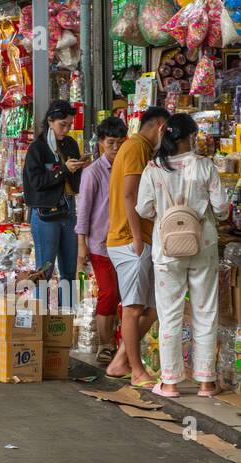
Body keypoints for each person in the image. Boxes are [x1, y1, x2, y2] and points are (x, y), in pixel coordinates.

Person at [135, 112, 230, 398]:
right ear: (191, 137)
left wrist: (167, 210)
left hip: (167, 251)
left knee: (170, 315)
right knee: (205, 312)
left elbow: (143, 210)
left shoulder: (153, 169)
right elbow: (223, 208)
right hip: (203, 247)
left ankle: (170, 382)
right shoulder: (205, 167)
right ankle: (206, 381)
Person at [105, 106, 171, 387]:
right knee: (133, 309)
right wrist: (136, 238)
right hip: (129, 241)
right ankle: (136, 370)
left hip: (140, 240)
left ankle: (121, 360)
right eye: (167, 130)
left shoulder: (142, 149)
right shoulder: (135, 149)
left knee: (152, 308)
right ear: (159, 126)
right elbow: (130, 195)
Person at [75, 116, 129, 366]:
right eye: (111, 143)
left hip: (127, 242)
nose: (116, 148)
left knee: (126, 294)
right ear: (100, 144)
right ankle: (105, 345)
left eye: (120, 142)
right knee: (109, 292)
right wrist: (82, 247)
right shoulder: (92, 172)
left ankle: (123, 344)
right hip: (101, 244)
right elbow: (83, 212)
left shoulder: (129, 167)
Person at [24, 100, 85, 313]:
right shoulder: (37, 148)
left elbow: (74, 183)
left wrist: (79, 168)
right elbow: (37, 183)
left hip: (68, 210)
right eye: (62, 124)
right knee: (45, 271)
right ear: (50, 121)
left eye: (69, 125)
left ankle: (66, 319)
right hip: (45, 214)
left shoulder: (70, 145)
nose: (66, 129)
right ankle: (41, 319)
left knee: (69, 270)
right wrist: (64, 170)